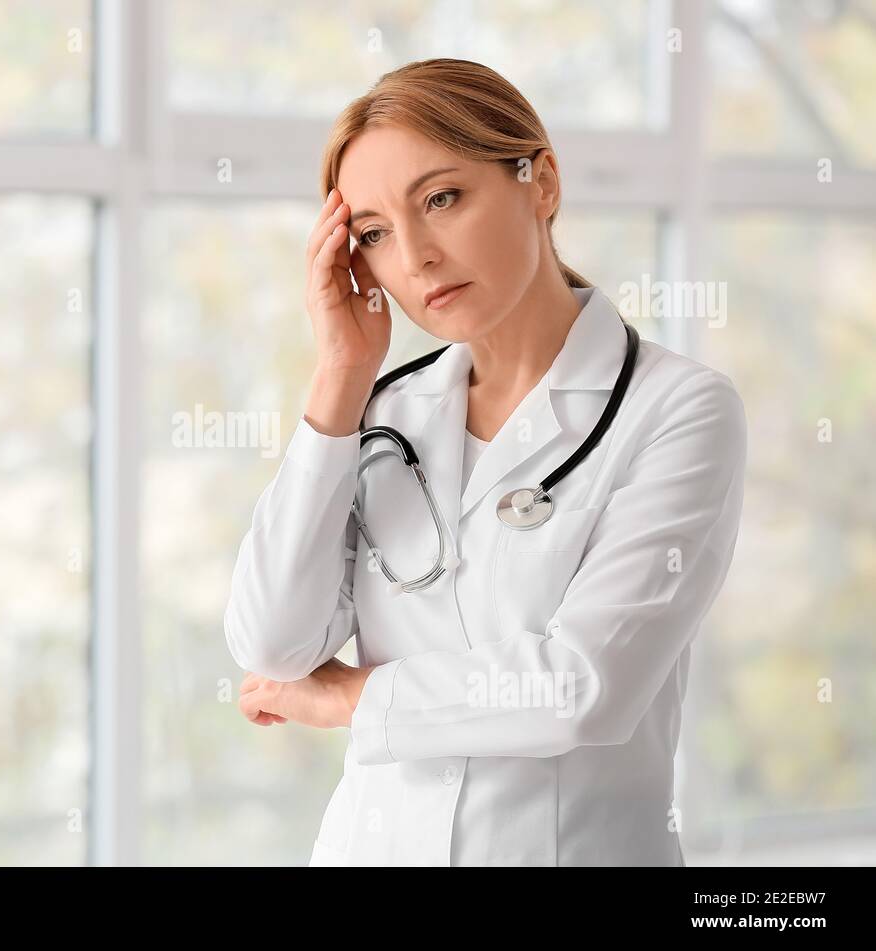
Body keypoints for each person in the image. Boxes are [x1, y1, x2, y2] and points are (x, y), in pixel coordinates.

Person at [222, 58, 747, 866]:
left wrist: (349, 698)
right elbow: (272, 646)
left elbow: (581, 688)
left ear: (540, 184)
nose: (417, 257)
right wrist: (338, 380)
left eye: (442, 199)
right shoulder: (379, 416)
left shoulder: (677, 410)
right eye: (373, 234)